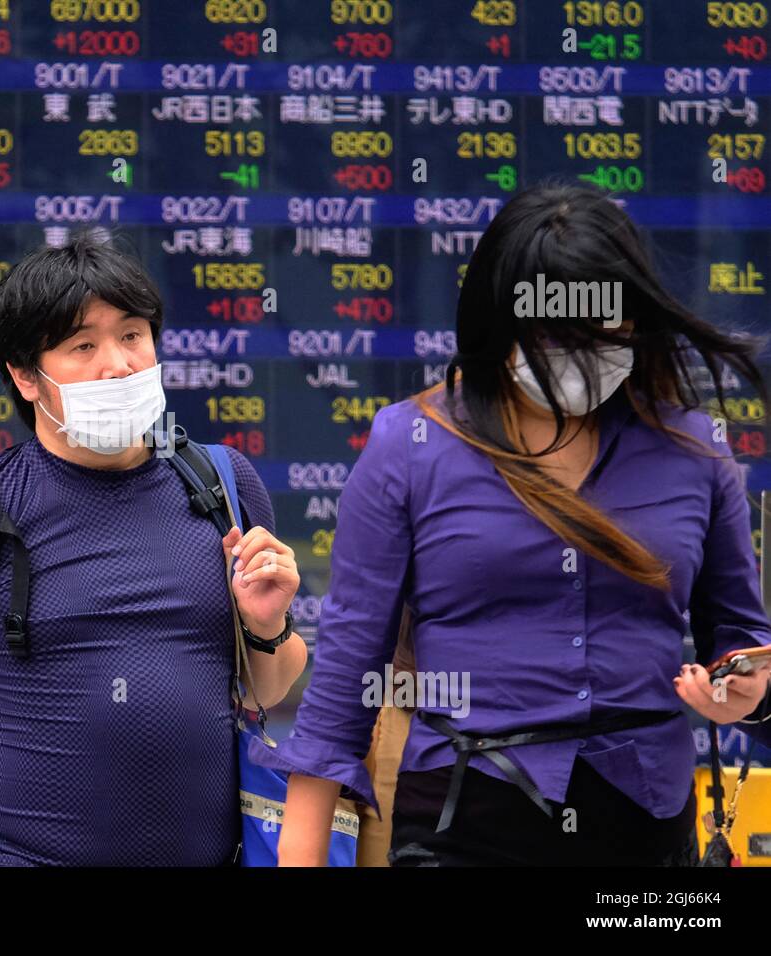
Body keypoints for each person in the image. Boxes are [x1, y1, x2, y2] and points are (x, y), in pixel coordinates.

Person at [257, 183, 771, 866]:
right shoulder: (411, 445)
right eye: (553, 335)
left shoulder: (691, 447)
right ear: (500, 324)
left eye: (601, 332)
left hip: (646, 823)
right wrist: (302, 854)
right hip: (463, 819)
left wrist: (745, 691)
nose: (578, 356)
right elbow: (347, 673)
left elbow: (740, 635)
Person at [0, 233, 308, 866]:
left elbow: (268, 689)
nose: (118, 364)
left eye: (133, 335)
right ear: (26, 377)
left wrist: (267, 623)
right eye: (83, 345)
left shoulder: (223, 486)